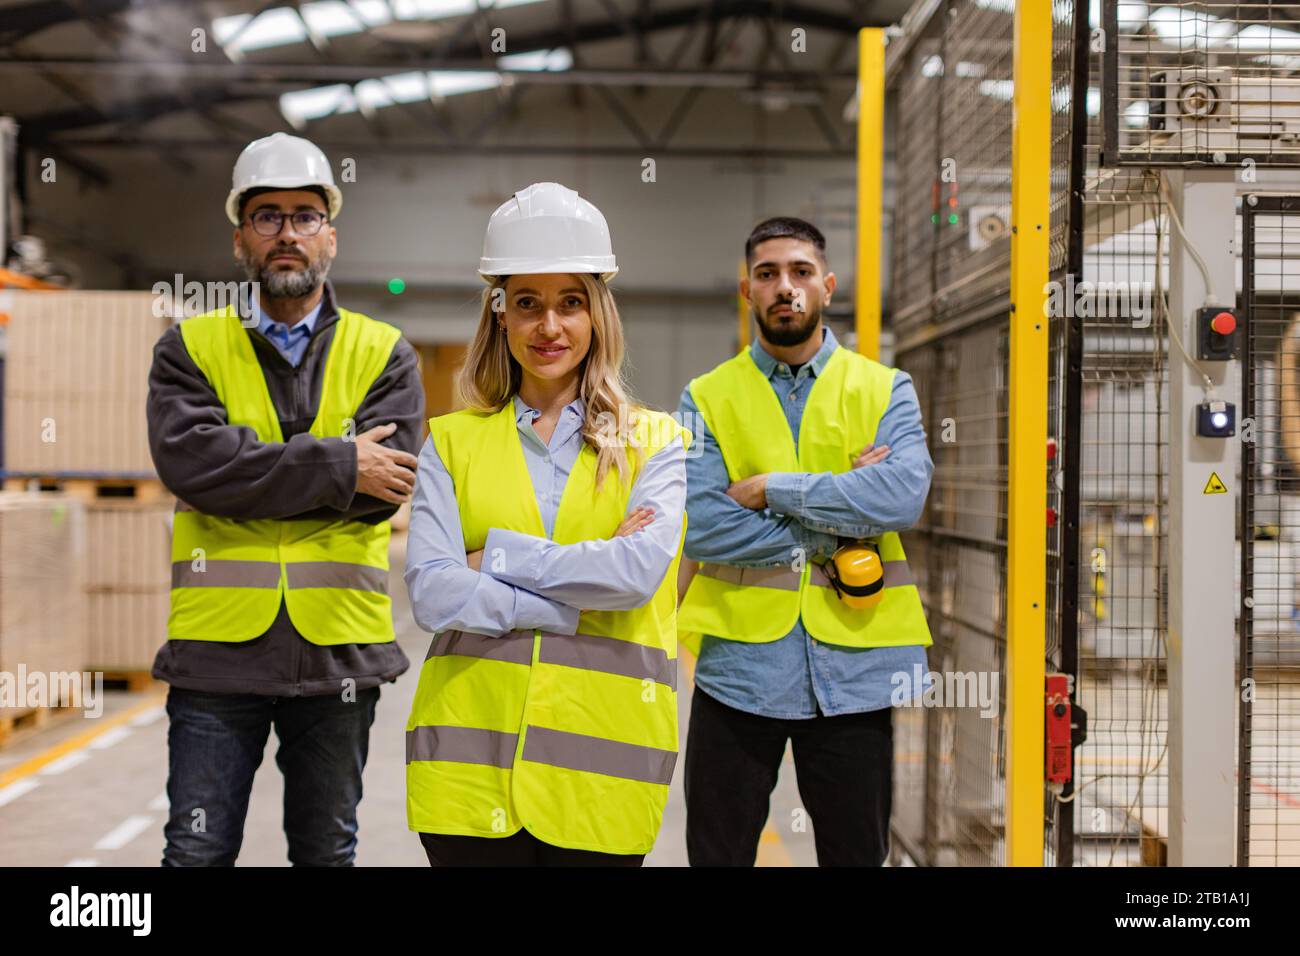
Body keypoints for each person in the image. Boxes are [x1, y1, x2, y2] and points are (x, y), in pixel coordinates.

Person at [146, 132, 424, 866]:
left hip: (338, 655)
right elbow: (195, 468)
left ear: (330, 234)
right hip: (218, 659)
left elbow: (384, 490)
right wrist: (340, 463)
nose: (287, 233)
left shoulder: (383, 351)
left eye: (305, 216)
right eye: (268, 216)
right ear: (241, 235)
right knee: (196, 853)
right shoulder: (191, 347)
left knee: (326, 853)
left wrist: (257, 472)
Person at [403, 182, 691, 866]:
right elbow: (433, 593)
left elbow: (635, 575)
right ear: (499, 317)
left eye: (570, 302)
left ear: (598, 315)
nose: (549, 326)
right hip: (468, 775)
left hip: (602, 779)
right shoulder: (450, 443)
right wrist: (573, 601)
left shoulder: (658, 440)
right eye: (526, 303)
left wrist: (494, 556)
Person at [676, 216, 934, 866]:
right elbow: (703, 523)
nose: (784, 287)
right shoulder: (704, 397)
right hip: (738, 670)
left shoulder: (885, 388)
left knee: (855, 856)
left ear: (827, 285)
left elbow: (902, 498)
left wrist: (771, 488)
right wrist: (847, 506)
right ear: (747, 290)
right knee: (717, 855)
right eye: (767, 275)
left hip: (856, 672)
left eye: (799, 272)